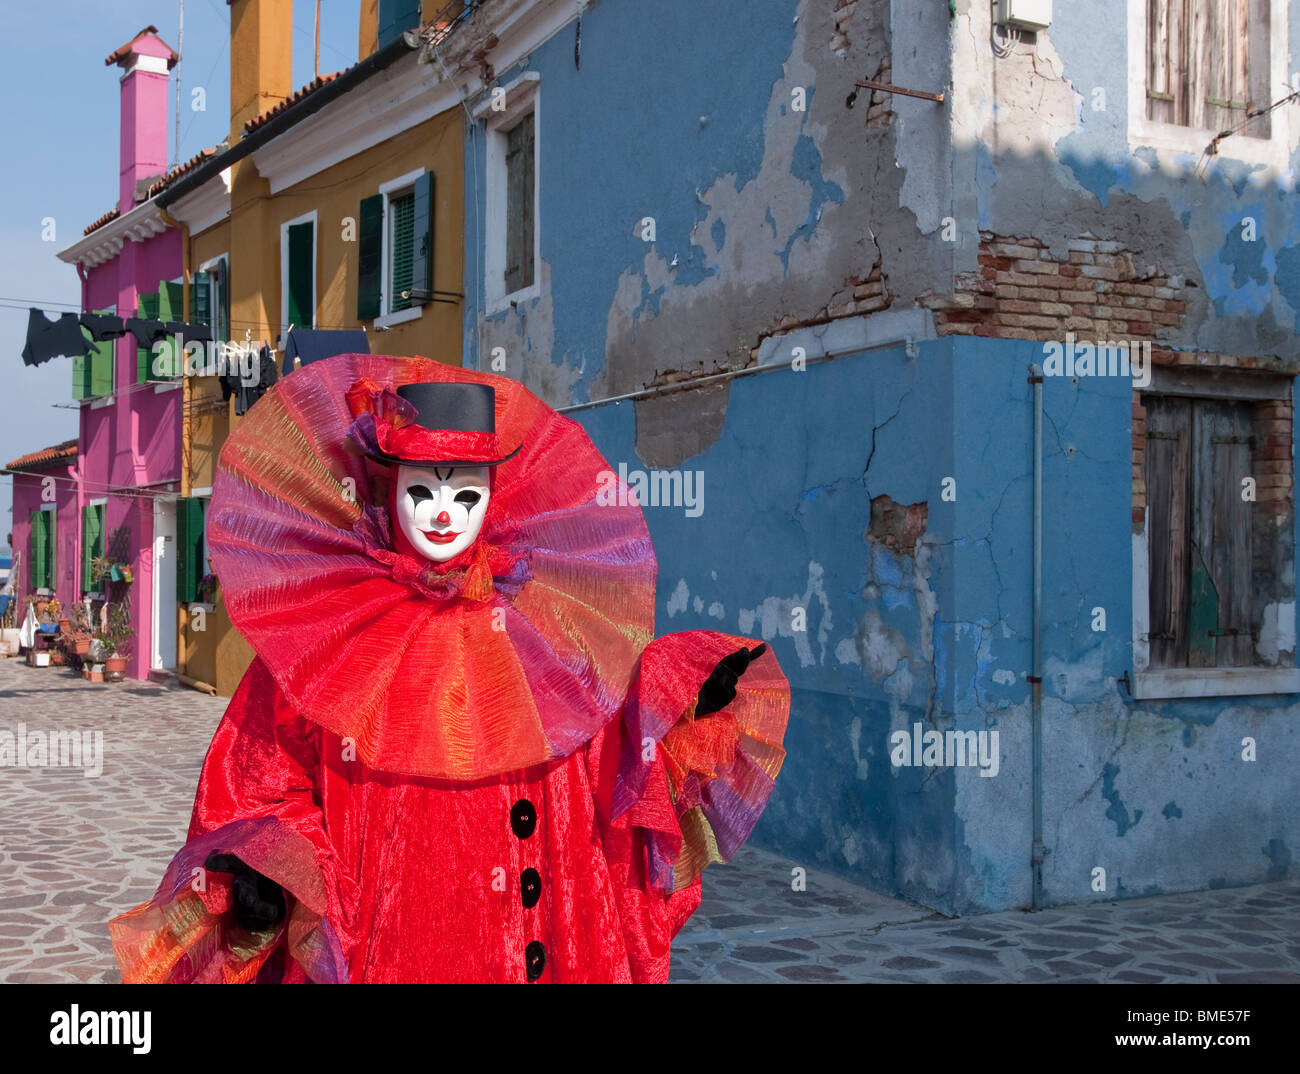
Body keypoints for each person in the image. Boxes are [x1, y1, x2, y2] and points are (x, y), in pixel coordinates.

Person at [109, 355, 789, 983]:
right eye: (423, 491)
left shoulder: (537, 619)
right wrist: (268, 864)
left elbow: (599, 737)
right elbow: (263, 770)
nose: (443, 513)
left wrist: (678, 702)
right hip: (393, 936)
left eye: (465, 494)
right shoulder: (332, 629)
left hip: (527, 932)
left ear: (493, 497)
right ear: (390, 487)